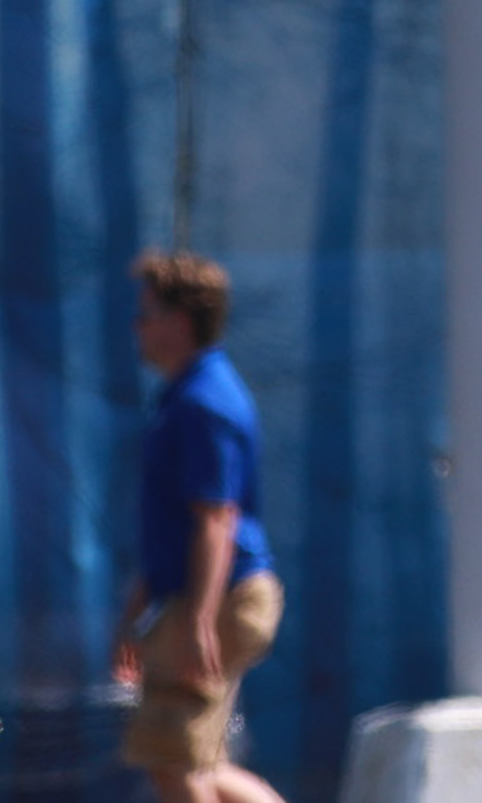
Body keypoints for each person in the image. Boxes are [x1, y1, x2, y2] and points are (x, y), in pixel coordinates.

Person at [114, 250, 286, 803]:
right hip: (203, 597)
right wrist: (134, 615)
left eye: (146, 314)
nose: (137, 327)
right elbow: (172, 534)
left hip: (221, 596)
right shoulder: (182, 398)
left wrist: (201, 621)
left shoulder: (204, 403)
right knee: (196, 762)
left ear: (179, 321)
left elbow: (216, 520)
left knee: (174, 758)